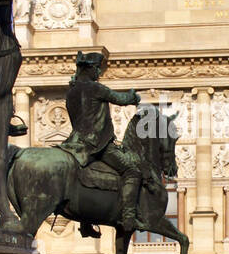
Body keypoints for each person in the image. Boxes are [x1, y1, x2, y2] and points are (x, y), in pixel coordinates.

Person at [60, 50, 159, 233]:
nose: (99, 72)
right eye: (97, 68)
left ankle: (85, 223)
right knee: (132, 171)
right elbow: (120, 99)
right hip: (97, 145)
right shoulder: (95, 88)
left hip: (75, 144)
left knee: (84, 176)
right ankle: (129, 217)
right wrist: (133, 96)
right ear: (89, 69)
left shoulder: (71, 92)